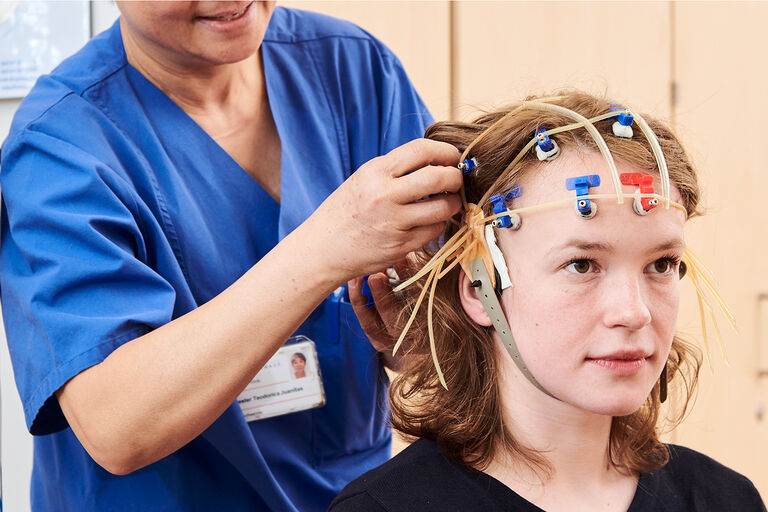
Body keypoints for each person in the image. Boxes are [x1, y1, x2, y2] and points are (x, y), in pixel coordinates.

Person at [0, 2, 463, 511]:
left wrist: (424, 342)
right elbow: (117, 426)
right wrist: (324, 248)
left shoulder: (352, 67)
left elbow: (446, 316)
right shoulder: (60, 145)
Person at [329, 92, 766, 511]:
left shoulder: (726, 499)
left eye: (662, 264)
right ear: (480, 289)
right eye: (581, 265)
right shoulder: (385, 507)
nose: (634, 312)